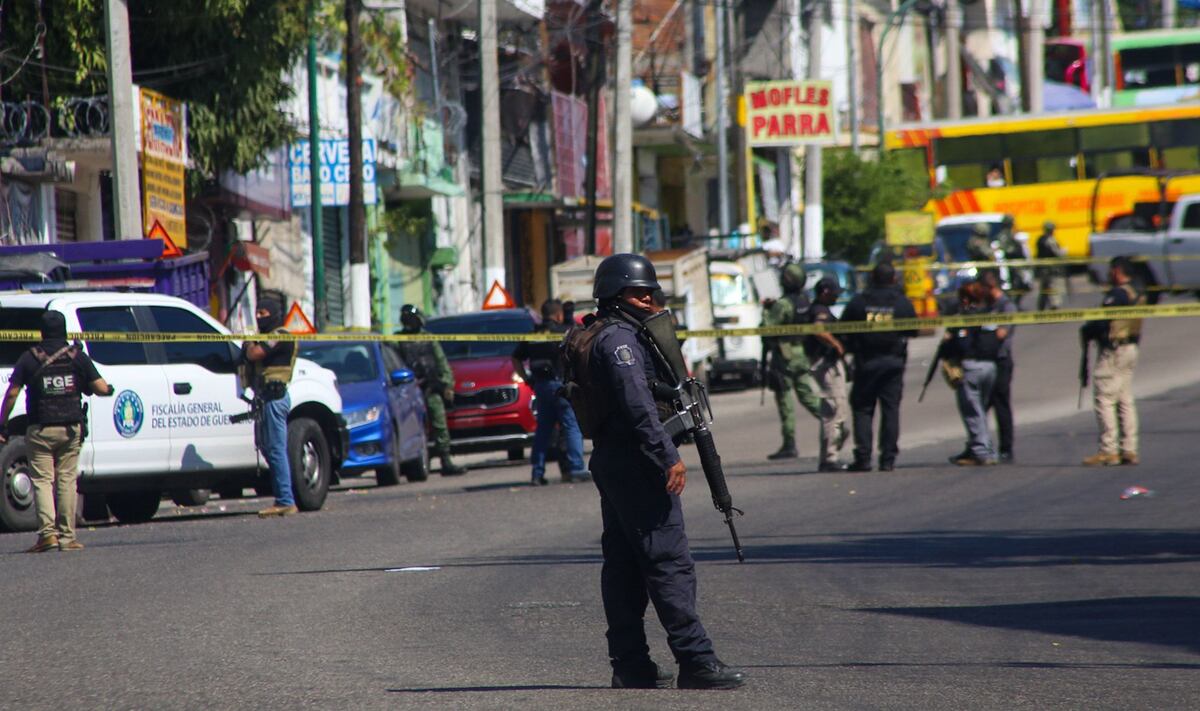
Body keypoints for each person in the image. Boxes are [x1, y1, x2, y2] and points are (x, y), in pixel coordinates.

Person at [581, 253, 745, 690]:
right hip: (637, 461)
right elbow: (637, 405)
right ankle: (697, 661)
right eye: (641, 293)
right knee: (668, 561)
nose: (650, 299)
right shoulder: (619, 341)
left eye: (651, 292)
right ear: (617, 295)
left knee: (624, 565)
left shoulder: (611, 332)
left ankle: (631, 665)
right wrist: (665, 456)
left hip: (616, 460)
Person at [0, 310, 113, 552]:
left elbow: (12, 393)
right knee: (66, 480)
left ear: (41, 332)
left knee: (41, 481)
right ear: (64, 331)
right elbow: (101, 388)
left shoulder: (29, 358)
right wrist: (108, 389)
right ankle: (67, 537)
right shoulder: (76, 357)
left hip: (40, 429)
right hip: (70, 429)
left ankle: (47, 536)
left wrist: (3, 423)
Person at [841, 262, 918, 472]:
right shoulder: (901, 303)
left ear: (872, 278)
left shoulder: (859, 302)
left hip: (866, 363)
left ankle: (864, 458)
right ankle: (888, 459)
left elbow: (842, 328)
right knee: (890, 410)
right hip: (893, 363)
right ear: (893, 279)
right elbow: (914, 330)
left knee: (863, 409)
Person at [511, 299, 587, 485]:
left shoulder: (534, 334)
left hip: (541, 387)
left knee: (543, 431)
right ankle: (576, 468)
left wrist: (528, 379)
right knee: (571, 426)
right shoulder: (564, 332)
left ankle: (537, 473)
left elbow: (516, 358)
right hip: (560, 385)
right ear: (559, 314)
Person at [1080, 256, 1143, 466]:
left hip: (1114, 351)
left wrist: (1088, 330)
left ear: (1117, 271)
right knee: (1125, 399)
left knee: (1105, 398)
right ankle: (1129, 449)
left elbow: (1102, 322)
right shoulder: (1136, 291)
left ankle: (1109, 450)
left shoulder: (1117, 294)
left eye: (1110, 270)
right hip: (1130, 348)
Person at [243, 296, 300, 518]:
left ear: (274, 314)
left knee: (276, 449)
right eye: (258, 313)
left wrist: (248, 345)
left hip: (275, 399)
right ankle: (283, 497)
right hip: (265, 398)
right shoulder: (266, 336)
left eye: (264, 313)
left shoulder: (281, 336)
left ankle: (285, 500)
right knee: (266, 447)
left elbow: (255, 353)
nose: (259, 317)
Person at [394, 304, 466, 475]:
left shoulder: (429, 338)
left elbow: (441, 363)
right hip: (408, 389)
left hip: (431, 386)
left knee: (439, 422)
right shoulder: (397, 340)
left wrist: (448, 384)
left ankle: (445, 460)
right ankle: (412, 462)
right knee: (410, 424)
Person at [762, 262, 824, 460]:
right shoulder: (804, 301)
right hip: (801, 354)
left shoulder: (783, 304)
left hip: (785, 355)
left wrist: (766, 310)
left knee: (785, 400)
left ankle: (789, 444)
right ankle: (835, 426)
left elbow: (766, 327)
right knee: (807, 395)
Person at [945, 282, 1003, 466]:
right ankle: (986, 449)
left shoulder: (964, 318)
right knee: (980, 410)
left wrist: (949, 343)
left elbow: (961, 345)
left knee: (973, 411)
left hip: (971, 367)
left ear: (964, 298)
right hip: (990, 367)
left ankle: (981, 452)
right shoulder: (989, 315)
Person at [804, 277, 851, 471]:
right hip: (826, 365)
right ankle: (830, 458)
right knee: (835, 411)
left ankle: (830, 456)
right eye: (834, 293)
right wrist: (835, 343)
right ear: (824, 292)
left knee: (835, 412)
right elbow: (818, 329)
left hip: (828, 364)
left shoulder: (822, 309)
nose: (836, 297)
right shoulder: (819, 310)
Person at [979, 270, 1017, 462]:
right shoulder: (987, 306)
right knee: (981, 405)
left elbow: (1001, 334)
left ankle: (1006, 448)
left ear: (990, 287)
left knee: (1001, 404)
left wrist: (982, 335)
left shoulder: (1006, 306)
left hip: (1001, 361)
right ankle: (978, 445)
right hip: (986, 362)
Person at [1035, 221, 1067, 311]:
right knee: (1053, 288)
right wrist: (1064, 252)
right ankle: (1054, 308)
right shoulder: (1050, 240)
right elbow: (1057, 253)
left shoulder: (1040, 239)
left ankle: (1041, 307)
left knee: (1044, 289)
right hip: (1051, 269)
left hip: (1043, 269)